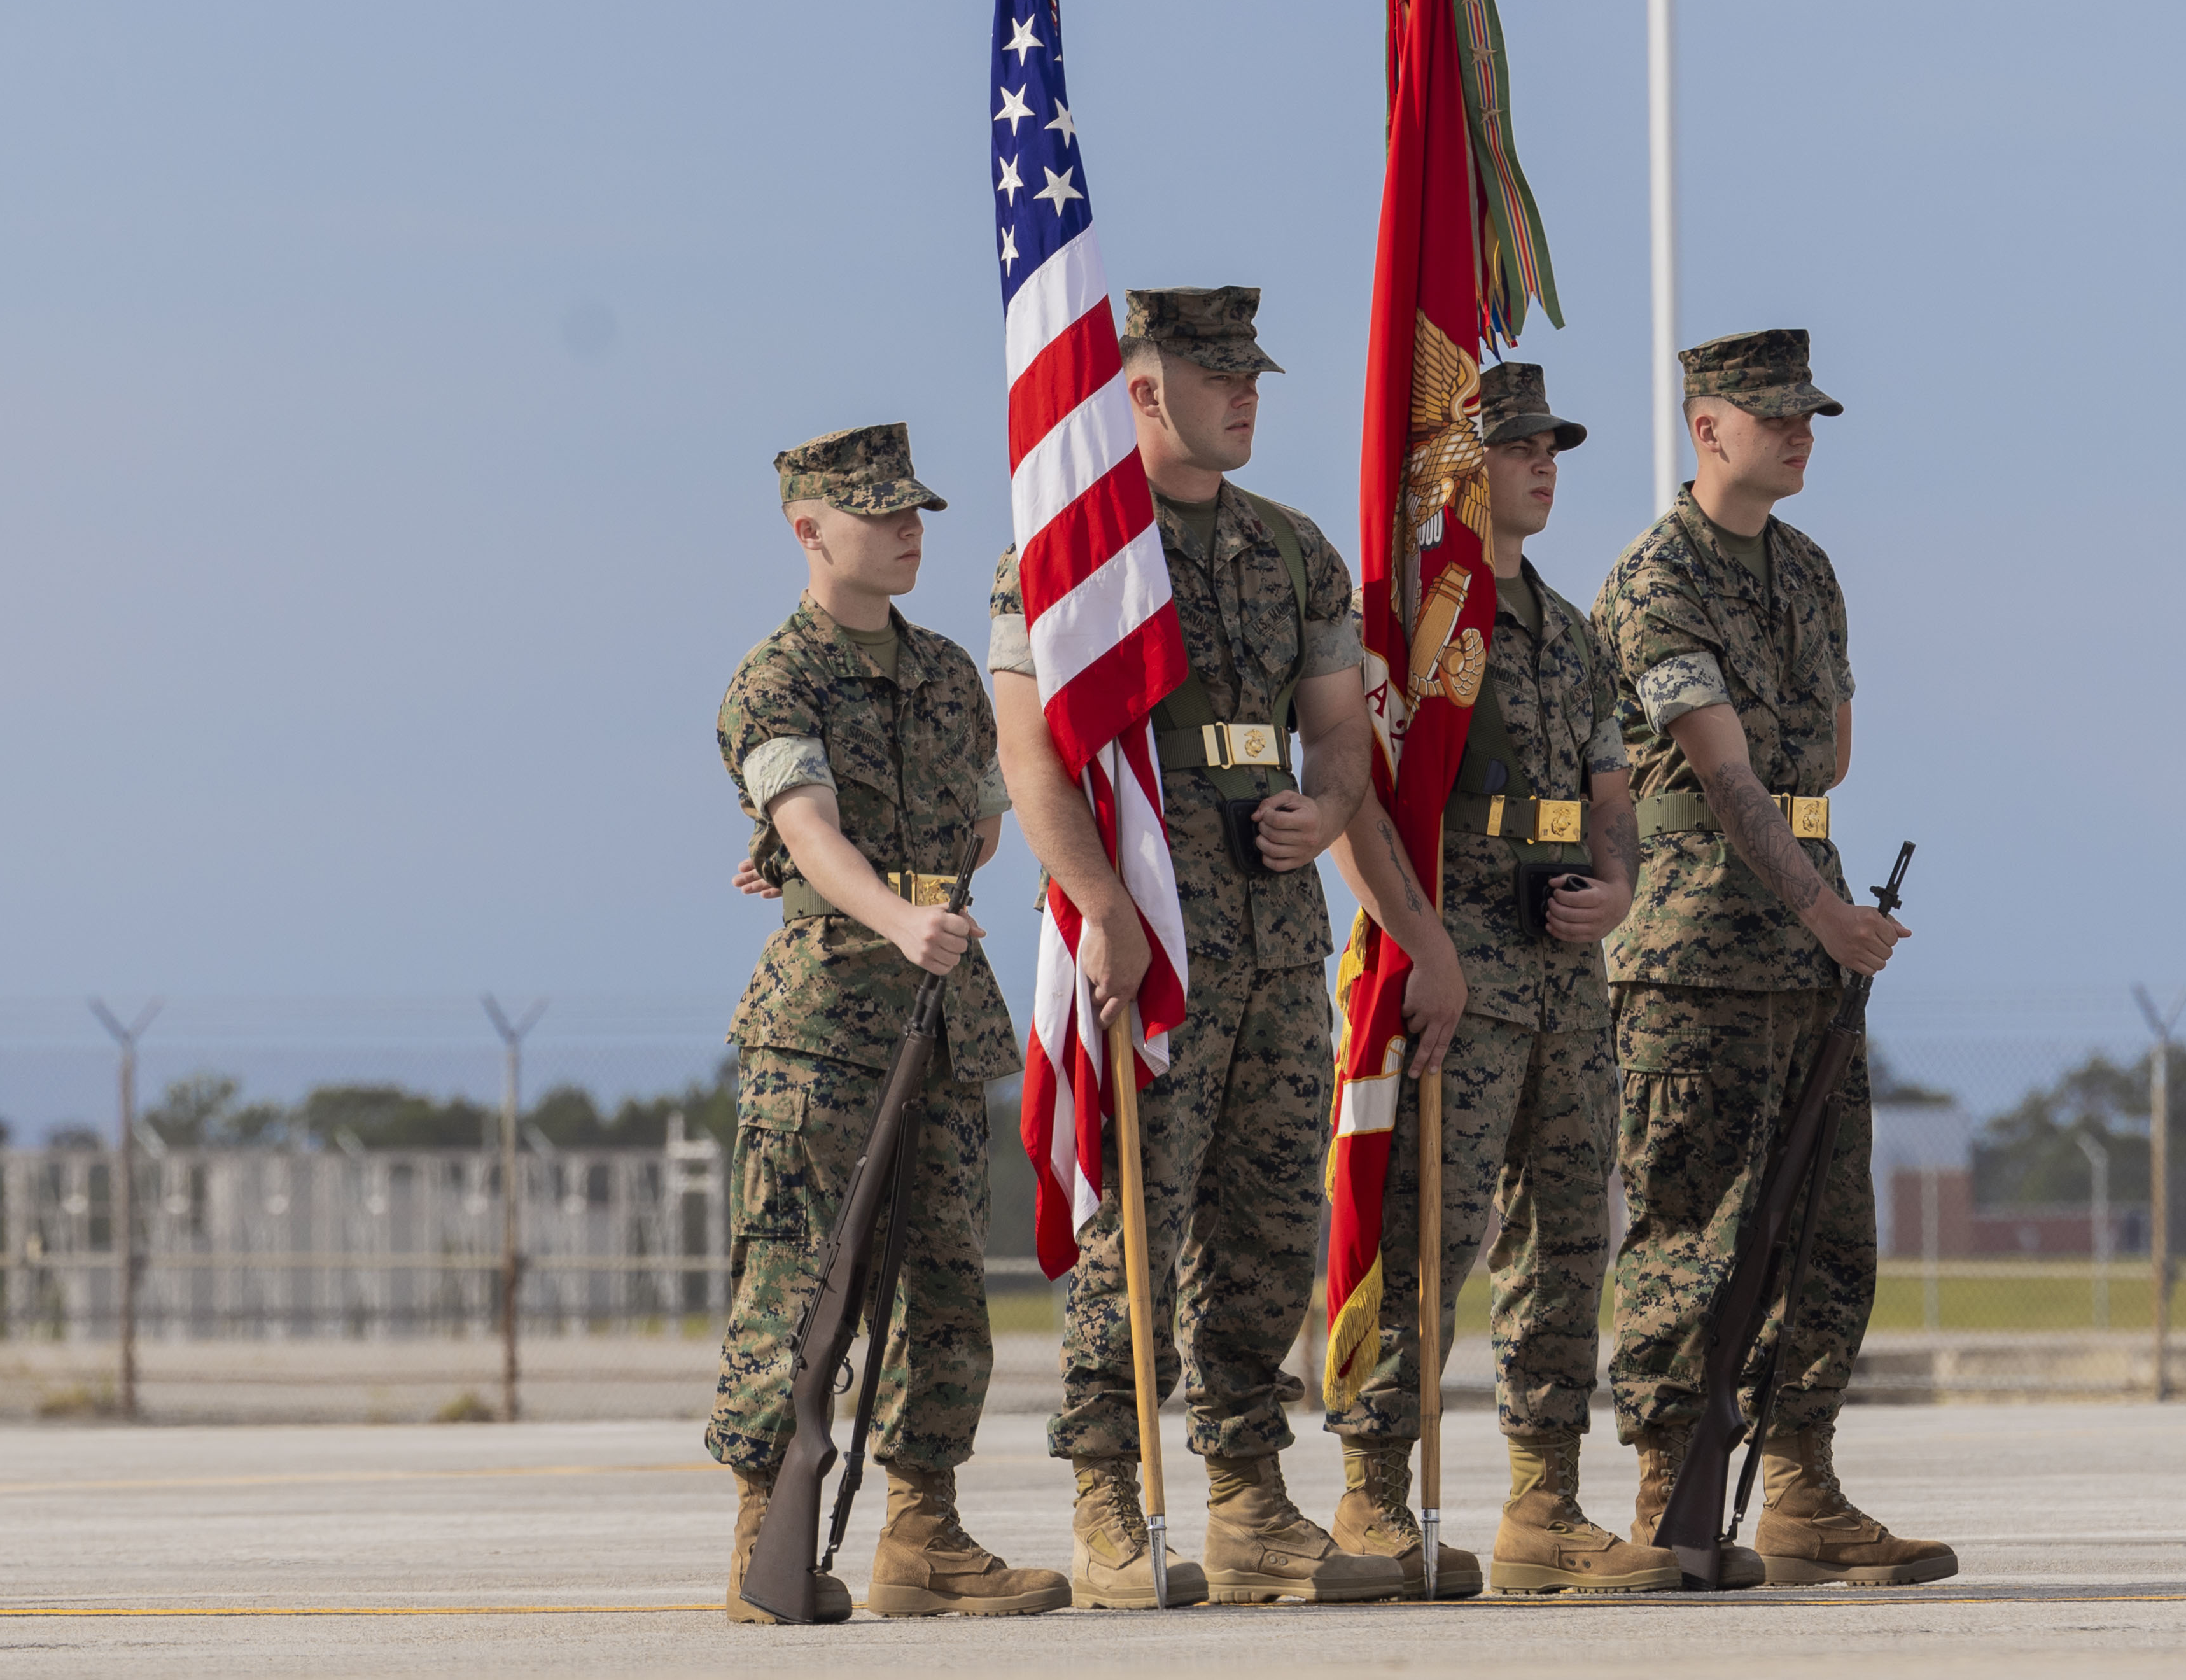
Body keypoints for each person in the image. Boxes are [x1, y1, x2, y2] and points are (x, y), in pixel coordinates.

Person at [991, 286, 1407, 1608]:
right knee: (1135, 1218)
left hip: (1278, 936)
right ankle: (1110, 1498)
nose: (1247, 395)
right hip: (1150, 937)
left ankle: (1244, 1496)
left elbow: (1339, 728)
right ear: (1140, 391)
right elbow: (1033, 755)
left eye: (1251, 375)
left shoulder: (1294, 553)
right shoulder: (1069, 553)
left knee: (1267, 1223)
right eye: (1216, 374)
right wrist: (1100, 904)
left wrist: (1330, 804)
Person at [1590, 330, 1958, 1588]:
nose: (1801, 436)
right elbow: (1725, 770)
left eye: (1810, 418)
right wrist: (1821, 913)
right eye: (1776, 416)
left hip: (1806, 938)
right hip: (1695, 940)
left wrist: (1820, 922)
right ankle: (1666, 1484)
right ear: (1707, 427)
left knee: (1825, 1224)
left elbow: (1832, 757)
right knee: (1694, 1223)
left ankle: (1800, 1483)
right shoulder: (1655, 579)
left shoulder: (1806, 571)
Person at [1323, 362, 1681, 1596]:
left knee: (1569, 1229)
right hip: (1452, 943)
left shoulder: (1568, 631)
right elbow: (1361, 787)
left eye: (1551, 446)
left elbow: (1612, 791)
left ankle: (1545, 1501)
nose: (1543, 464)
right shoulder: (1414, 619)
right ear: (1456, 465)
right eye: (1518, 445)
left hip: (1562, 954)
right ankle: (1372, 1489)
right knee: (1431, 1219)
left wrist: (1618, 887)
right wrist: (1419, 941)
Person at [708, 422, 1067, 1623]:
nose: (910, 528)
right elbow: (808, 824)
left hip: (942, 1013)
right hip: (826, 1022)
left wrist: (919, 898)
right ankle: (770, 1533)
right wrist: (883, 905)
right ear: (810, 530)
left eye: (915, 509)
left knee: (947, 1283)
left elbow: (979, 824)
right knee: (801, 1281)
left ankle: (926, 1533)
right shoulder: (778, 676)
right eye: (880, 512)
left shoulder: (952, 673)